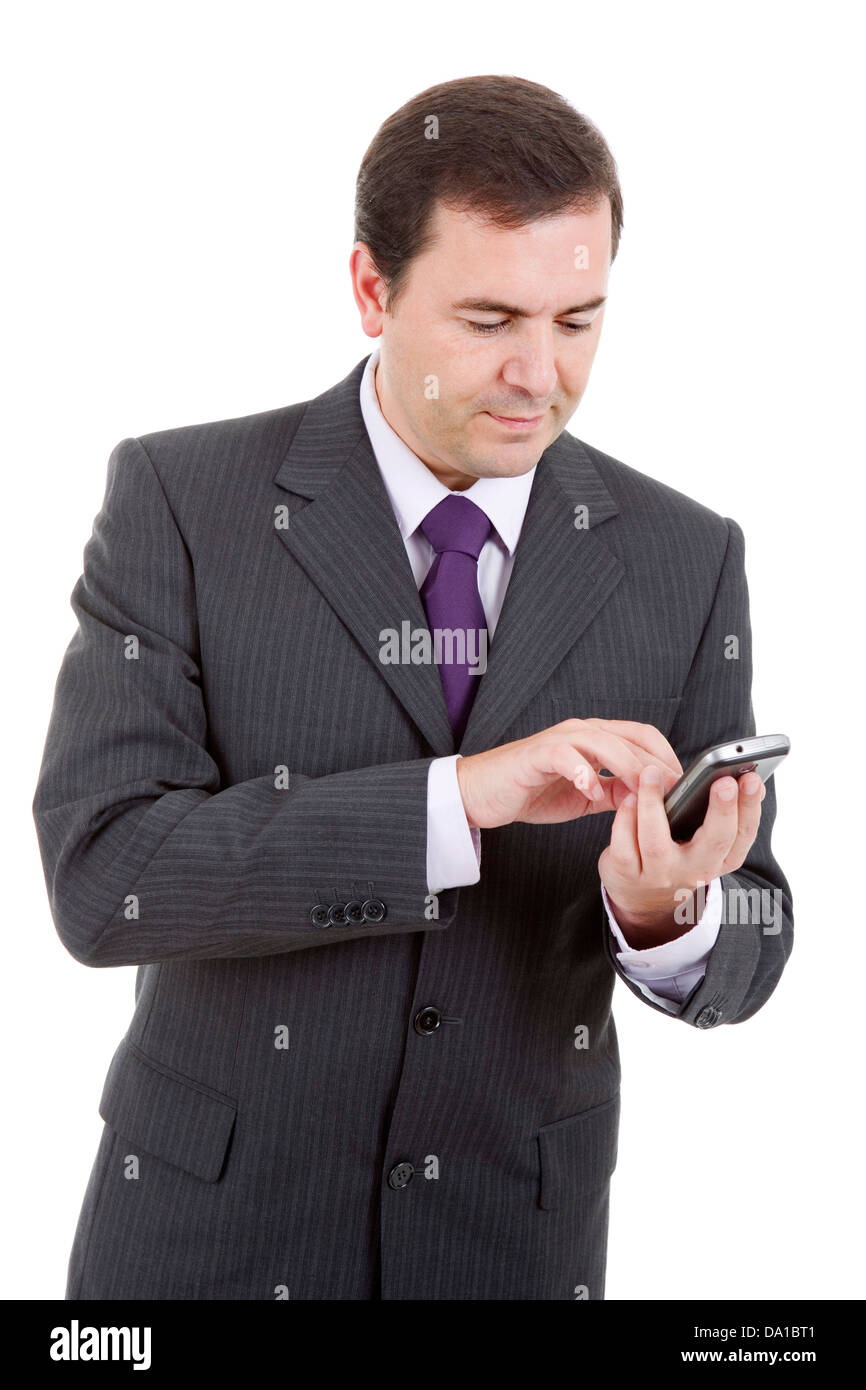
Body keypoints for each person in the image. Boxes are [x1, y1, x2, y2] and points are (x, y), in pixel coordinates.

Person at [32, 73, 793, 1301]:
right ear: (370, 290)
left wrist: (664, 913)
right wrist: (455, 799)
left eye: (578, 319)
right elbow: (104, 878)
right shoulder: (183, 503)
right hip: (203, 1251)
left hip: (508, 1253)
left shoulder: (683, 554)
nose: (537, 375)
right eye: (489, 319)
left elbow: (754, 928)